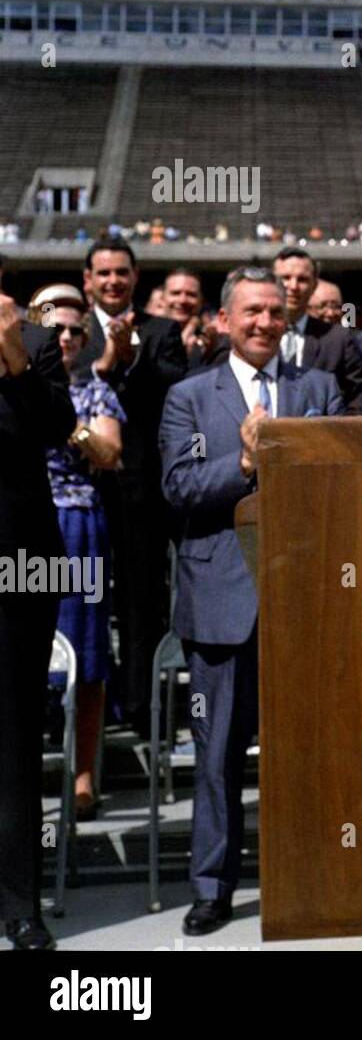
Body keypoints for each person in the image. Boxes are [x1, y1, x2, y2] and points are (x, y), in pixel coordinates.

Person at [159, 268, 343, 936]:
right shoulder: (188, 396)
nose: (265, 321)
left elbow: (341, 481)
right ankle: (212, 887)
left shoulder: (317, 390)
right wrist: (243, 464)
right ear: (224, 321)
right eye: (251, 312)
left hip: (305, 599)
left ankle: (314, 878)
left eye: (274, 310)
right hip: (221, 604)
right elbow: (176, 487)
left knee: (311, 752)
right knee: (217, 757)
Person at [76, 238, 188, 739]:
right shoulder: (65, 332)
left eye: (122, 272)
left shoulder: (162, 331)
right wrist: (107, 358)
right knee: (84, 599)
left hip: (142, 492)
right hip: (80, 494)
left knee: (142, 603)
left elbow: (173, 387)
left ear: (135, 277)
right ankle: (77, 716)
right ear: (88, 280)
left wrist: (130, 357)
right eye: (103, 273)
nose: (113, 281)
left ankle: (141, 710)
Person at [0, 267, 76, 950]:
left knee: (16, 736)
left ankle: (20, 904)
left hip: (19, 563)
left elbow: (58, 428)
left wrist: (16, 361)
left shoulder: (35, 339)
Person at [31, 285, 125, 819]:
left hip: (79, 523)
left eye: (73, 331)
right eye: (53, 329)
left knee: (86, 655)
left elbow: (109, 452)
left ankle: (82, 773)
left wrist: (66, 423)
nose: (64, 338)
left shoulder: (94, 391)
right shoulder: (15, 384)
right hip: (24, 523)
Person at [269, 251, 362, 410]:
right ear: (271, 282)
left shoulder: (337, 339)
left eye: (302, 279)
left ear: (314, 285)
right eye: (285, 278)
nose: (293, 286)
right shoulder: (254, 335)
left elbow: (360, 397)